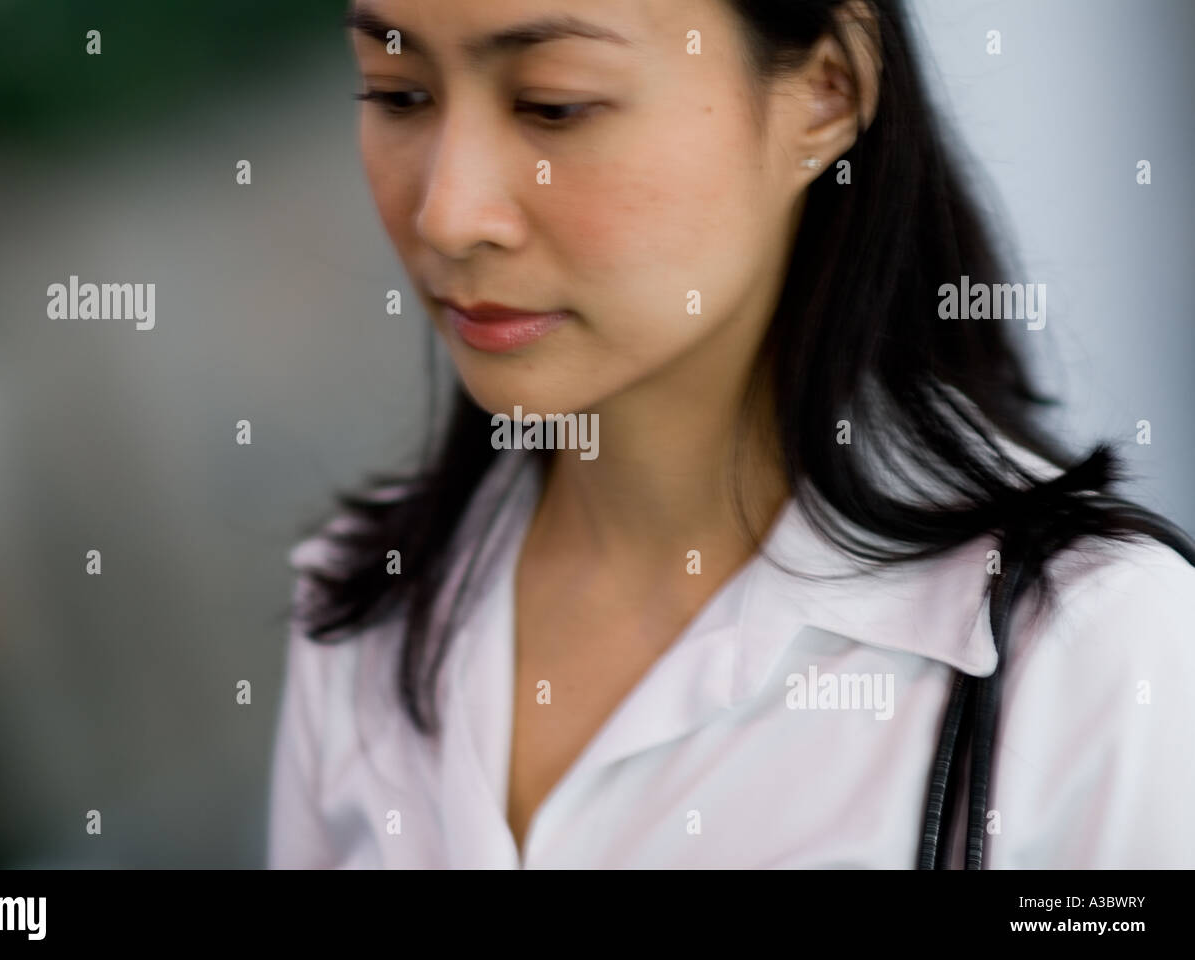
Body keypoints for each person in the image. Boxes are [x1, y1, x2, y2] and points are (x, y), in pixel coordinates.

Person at [266, 0, 1195, 868]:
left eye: (555, 105)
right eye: (398, 94)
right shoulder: (363, 608)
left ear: (826, 90)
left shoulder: (1091, 653)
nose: (448, 214)